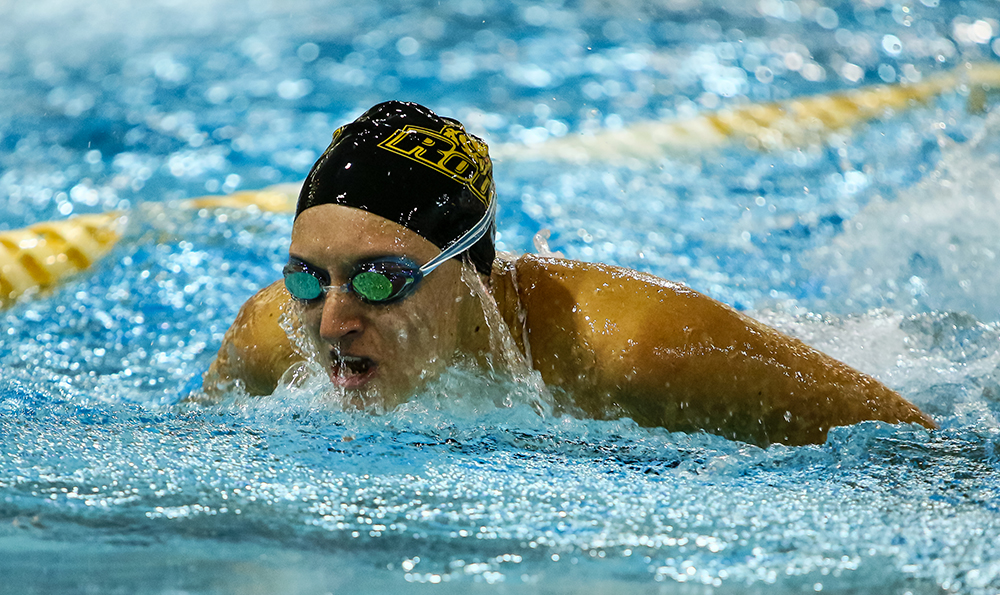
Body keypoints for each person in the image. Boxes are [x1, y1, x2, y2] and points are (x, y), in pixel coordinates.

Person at [203, 101, 934, 447]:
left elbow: (921, 449)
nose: (331, 325)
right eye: (307, 278)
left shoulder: (646, 354)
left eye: (379, 280)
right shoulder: (272, 336)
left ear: (476, 275)